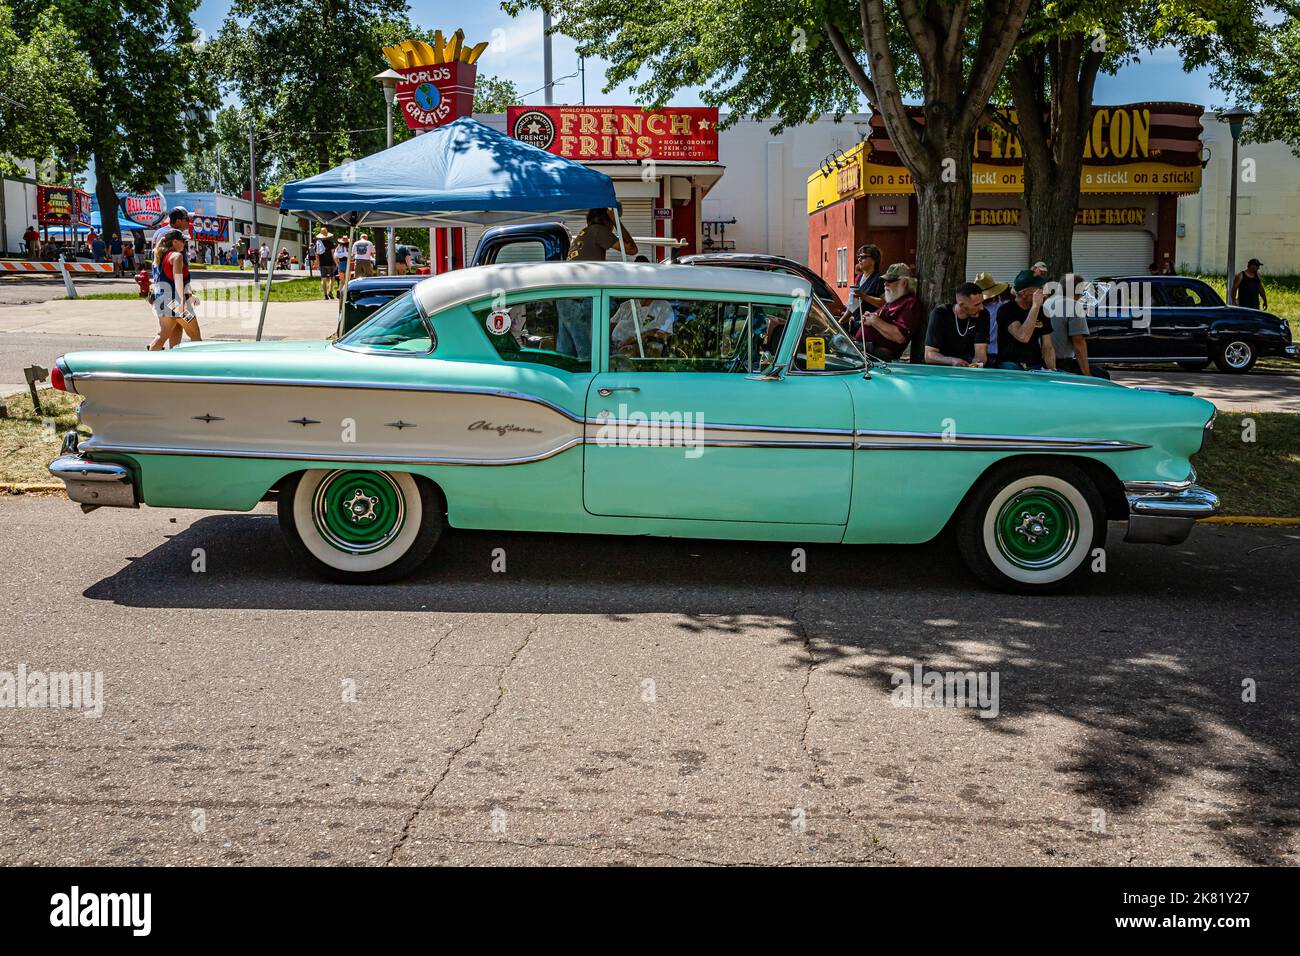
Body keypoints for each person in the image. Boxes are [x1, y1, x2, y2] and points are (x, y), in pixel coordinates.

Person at [857, 263, 923, 361]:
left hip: (876, 353)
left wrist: (874, 321)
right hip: (868, 350)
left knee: (836, 343)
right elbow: (877, 318)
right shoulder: (894, 300)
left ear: (904, 283)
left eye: (890, 281)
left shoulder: (910, 303)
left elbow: (900, 336)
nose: (885, 284)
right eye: (885, 280)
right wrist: (868, 317)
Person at [148, 229, 201, 350]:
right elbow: (178, 280)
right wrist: (183, 301)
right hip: (175, 303)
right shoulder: (177, 256)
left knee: (162, 335)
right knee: (195, 335)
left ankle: (148, 363)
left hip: (161, 301)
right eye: (183, 241)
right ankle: (200, 366)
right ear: (175, 242)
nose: (184, 244)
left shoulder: (160, 257)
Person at [1046, 273, 1106, 379]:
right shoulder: (1074, 306)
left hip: (1044, 360)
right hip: (1062, 362)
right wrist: (1087, 374)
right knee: (1103, 375)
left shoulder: (1047, 302)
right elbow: (1078, 343)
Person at [995, 270, 1055, 371]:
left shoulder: (1043, 311)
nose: (1043, 293)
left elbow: (1047, 347)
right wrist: (1035, 306)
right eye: (1039, 289)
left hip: (1035, 364)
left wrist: (1053, 370)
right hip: (1010, 363)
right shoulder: (1006, 310)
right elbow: (1023, 336)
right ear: (1024, 293)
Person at [924, 282, 990, 367]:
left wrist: (976, 364)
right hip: (941, 368)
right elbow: (929, 355)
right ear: (962, 305)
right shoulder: (940, 314)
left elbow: (981, 352)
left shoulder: (983, 314)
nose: (981, 307)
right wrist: (952, 361)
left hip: (968, 367)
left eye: (982, 302)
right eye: (977, 304)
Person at [570, 208, 637, 260]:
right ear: (606, 220)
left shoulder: (587, 231)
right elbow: (632, 249)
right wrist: (616, 221)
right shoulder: (599, 230)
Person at [610, 297, 675, 351]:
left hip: (649, 353)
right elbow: (611, 325)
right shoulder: (626, 306)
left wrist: (644, 335)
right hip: (621, 351)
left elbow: (666, 333)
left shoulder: (663, 306)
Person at [847, 244, 885, 334]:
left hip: (869, 329)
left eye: (863, 257)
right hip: (856, 326)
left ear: (873, 260)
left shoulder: (879, 279)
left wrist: (864, 296)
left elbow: (884, 304)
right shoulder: (859, 278)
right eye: (858, 256)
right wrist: (841, 321)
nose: (859, 259)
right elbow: (853, 305)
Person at [314, 227, 337, 299]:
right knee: (332, 278)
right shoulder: (330, 243)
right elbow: (333, 254)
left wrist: (317, 264)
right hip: (330, 263)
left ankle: (325, 295)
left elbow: (317, 255)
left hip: (322, 263)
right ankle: (330, 291)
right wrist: (336, 262)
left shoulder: (318, 244)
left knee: (323, 279)